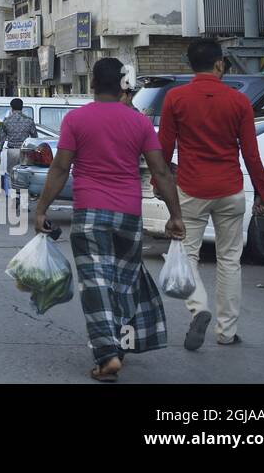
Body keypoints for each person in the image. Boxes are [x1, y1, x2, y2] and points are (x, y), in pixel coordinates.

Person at [35, 57, 185, 382]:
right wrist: (175, 215)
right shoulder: (139, 122)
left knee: (96, 284)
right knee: (123, 282)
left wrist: (41, 209)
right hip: (129, 215)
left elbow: (60, 168)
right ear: (122, 85)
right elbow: (160, 170)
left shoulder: (76, 120)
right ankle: (118, 346)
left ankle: (107, 357)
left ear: (91, 84)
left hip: (90, 213)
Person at [157, 38, 264, 350]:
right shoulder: (238, 102)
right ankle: (226, 331)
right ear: (219, 63)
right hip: (230, 189)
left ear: (191, 65)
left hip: (191, 190)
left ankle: (198, 307)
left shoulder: (175, 98)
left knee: (187, 255)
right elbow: (251, 153)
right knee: (230, 260)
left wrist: (160, 185)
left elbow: (163, 149)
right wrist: (263, 193)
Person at [0, 98, 37, 197]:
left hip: (12, 151)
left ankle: (14, 199)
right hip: (25, 152)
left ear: (11, 108)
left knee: (12, 175)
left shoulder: (6, 121)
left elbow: (1, 140)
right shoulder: (29, 121)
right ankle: (24, 201)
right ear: (22, 107)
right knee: (24, 176)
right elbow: (34, 138)